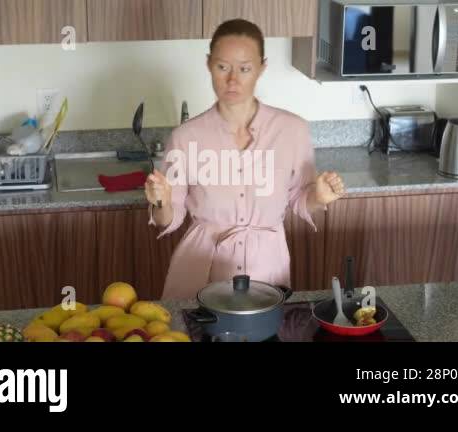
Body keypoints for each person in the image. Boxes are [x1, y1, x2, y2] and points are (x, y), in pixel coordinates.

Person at [145, 19, 345, 300]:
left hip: (267, 270)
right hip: (199, 270)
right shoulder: (185, 137)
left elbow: (299, 199)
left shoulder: (292, 130)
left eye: (244, 68)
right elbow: (170, 217)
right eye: (222, 67)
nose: (232, 79)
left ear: (261, 68)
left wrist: (318, 197)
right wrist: (161, 202)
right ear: (209, 65)